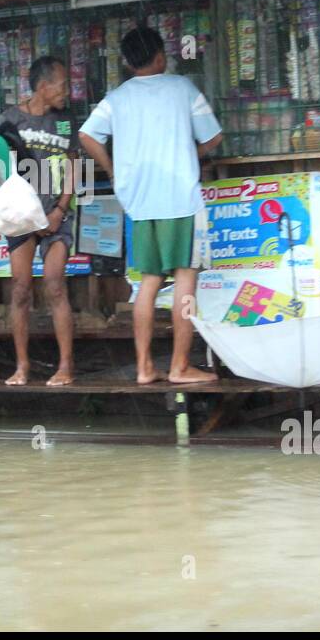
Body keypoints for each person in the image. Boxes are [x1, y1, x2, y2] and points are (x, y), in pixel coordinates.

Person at [78, 26, 223, 385]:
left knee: (149, 282)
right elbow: (214, 137)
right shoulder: (182, 88)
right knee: (186, 279)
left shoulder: (116, 98)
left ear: (127, 62)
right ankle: (179, 366)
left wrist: (112, 167)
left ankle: (144, 367)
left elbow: (85, 135)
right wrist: (190, 154)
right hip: (180, 197)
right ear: (161, 56)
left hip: (140, 201)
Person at [0, 56, 77, 387]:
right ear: (43, 87)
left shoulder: (66, 122)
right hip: (22, 218)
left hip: (57, 216)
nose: (67, 91)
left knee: (55, 284)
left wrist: (58, 210)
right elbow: (2, 172)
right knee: (21, 290)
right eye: (62, 84)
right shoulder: (9, 120)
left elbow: (74, 168)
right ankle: (22, 367)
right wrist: (31, 213)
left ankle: (66, 367)